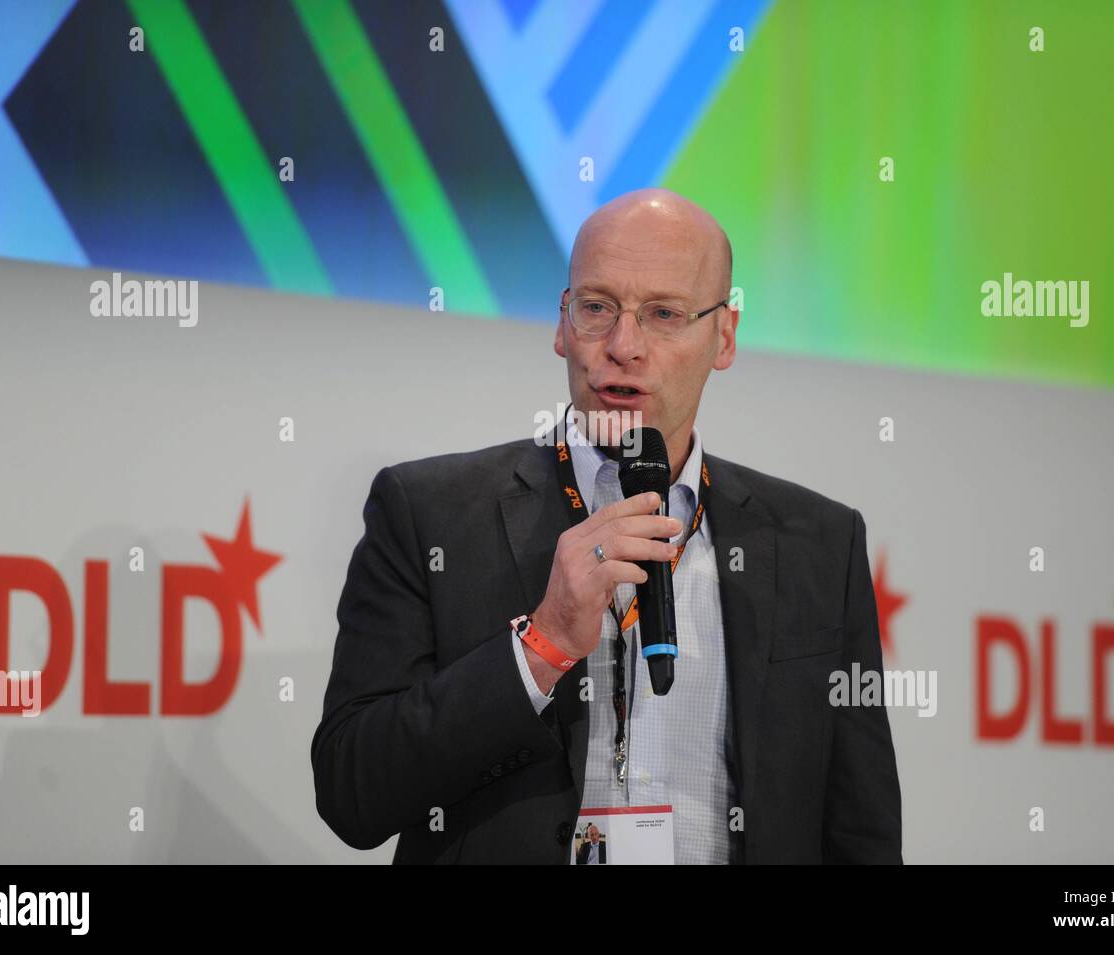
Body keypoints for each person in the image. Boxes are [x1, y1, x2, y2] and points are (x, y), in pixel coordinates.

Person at [311, 188, 902, 864]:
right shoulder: (429, 513)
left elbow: (863, 833)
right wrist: (542, 645)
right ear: (562, 324)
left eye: (664, 314)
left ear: (725, 336)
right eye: (597, 307)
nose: (624, 346)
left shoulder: (818, 547)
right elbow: (350, 791)